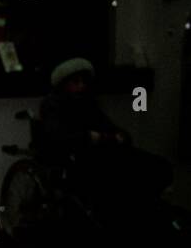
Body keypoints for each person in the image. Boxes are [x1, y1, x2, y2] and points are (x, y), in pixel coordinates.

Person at [37, 56, 173, 224]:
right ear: (64, 84)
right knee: (117, 175)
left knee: (157, 166)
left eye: (83, 82)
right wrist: (88, 137)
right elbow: (58, 137)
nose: (81, 86)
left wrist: (120, 135)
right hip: (74, 157)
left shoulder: (87, 103)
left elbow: (106, 124)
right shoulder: (53, 105)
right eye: (75, 82)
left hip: (100, 151)